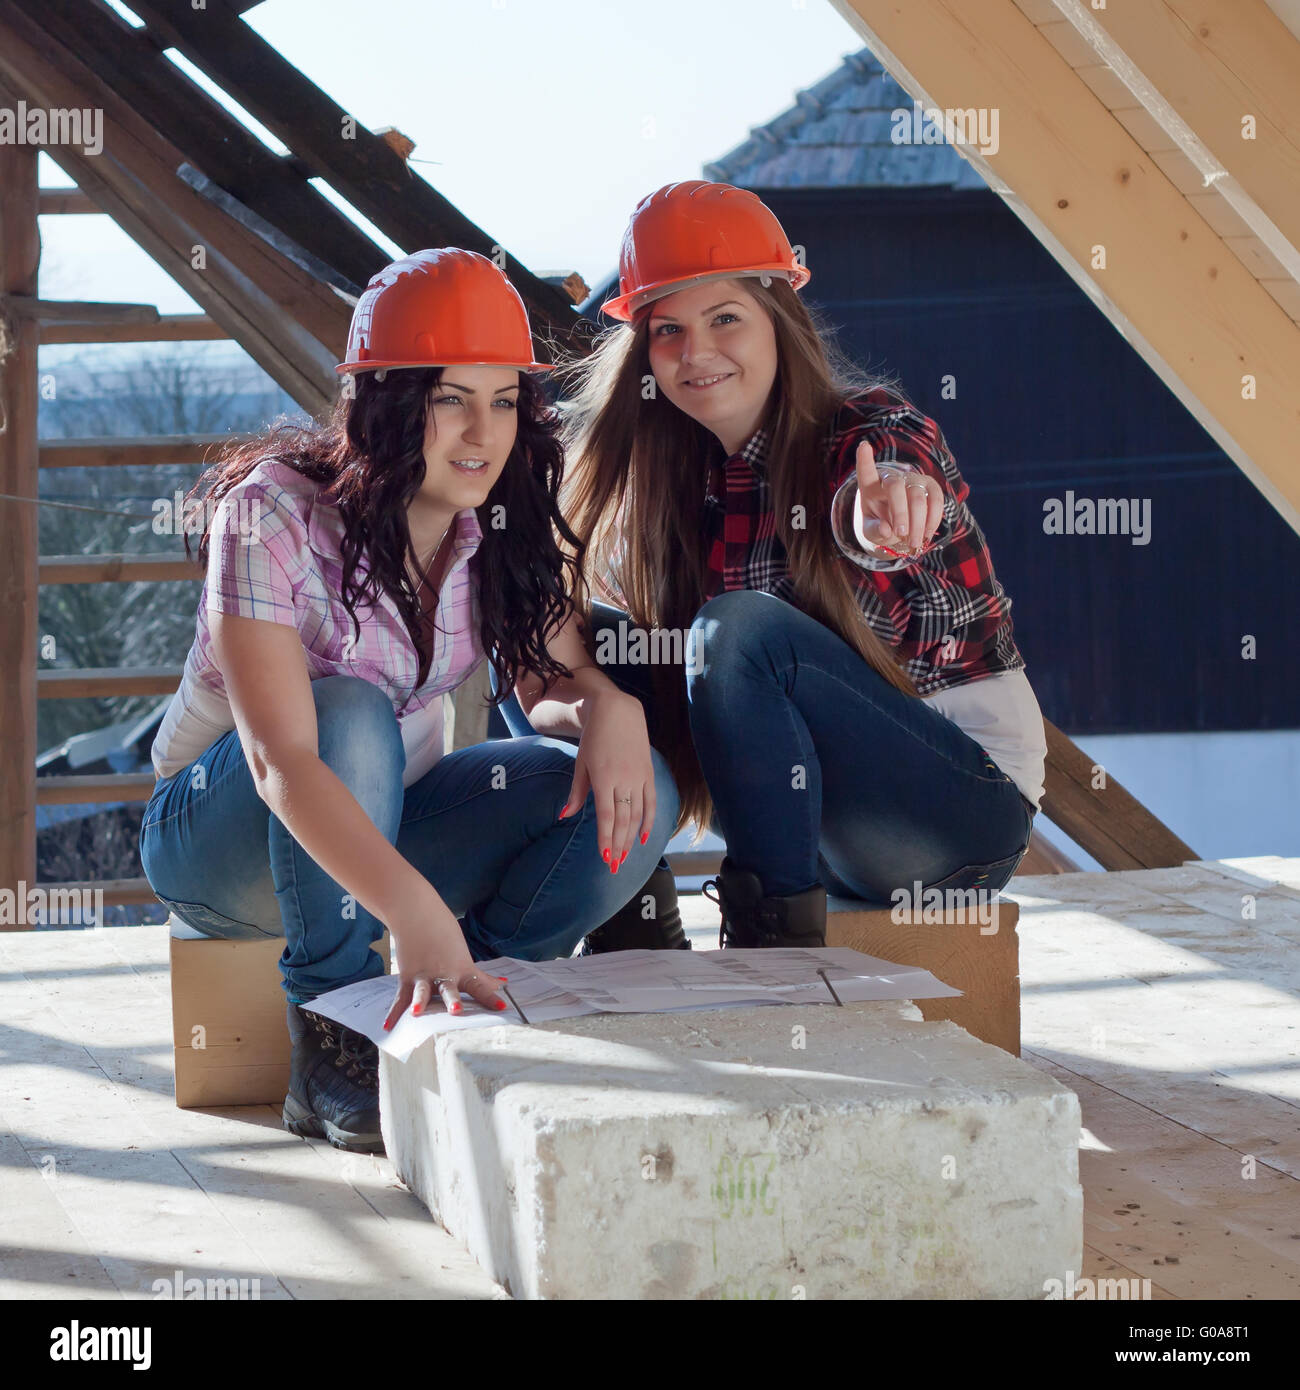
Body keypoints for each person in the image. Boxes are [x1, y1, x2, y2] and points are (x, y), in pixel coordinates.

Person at [140, 248, 678, 1152]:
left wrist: (606, 706)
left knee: (642, 784)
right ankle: (330, 1039)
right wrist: (411, 910)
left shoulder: (492, 523)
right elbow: (280, 763)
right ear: (388, 404)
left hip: (383, 835)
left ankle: (483, 987)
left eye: (504, 400)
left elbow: (548, 686)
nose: (483, 431)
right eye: (450, 399)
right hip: (219, 840)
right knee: (345, 710)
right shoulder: (269, 515)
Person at [538, 180, 1046, 951]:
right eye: (667, 330)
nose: (695, 352)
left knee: (736, 628)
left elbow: (891, 487)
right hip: (827, 832)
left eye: (726, 318)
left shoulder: (868, 430)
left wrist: (890, 511)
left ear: (781, 320)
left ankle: (770, 940)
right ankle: (628, 912)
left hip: (956, 825)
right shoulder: (674, 482)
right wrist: (593, 699)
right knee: (570, 636)